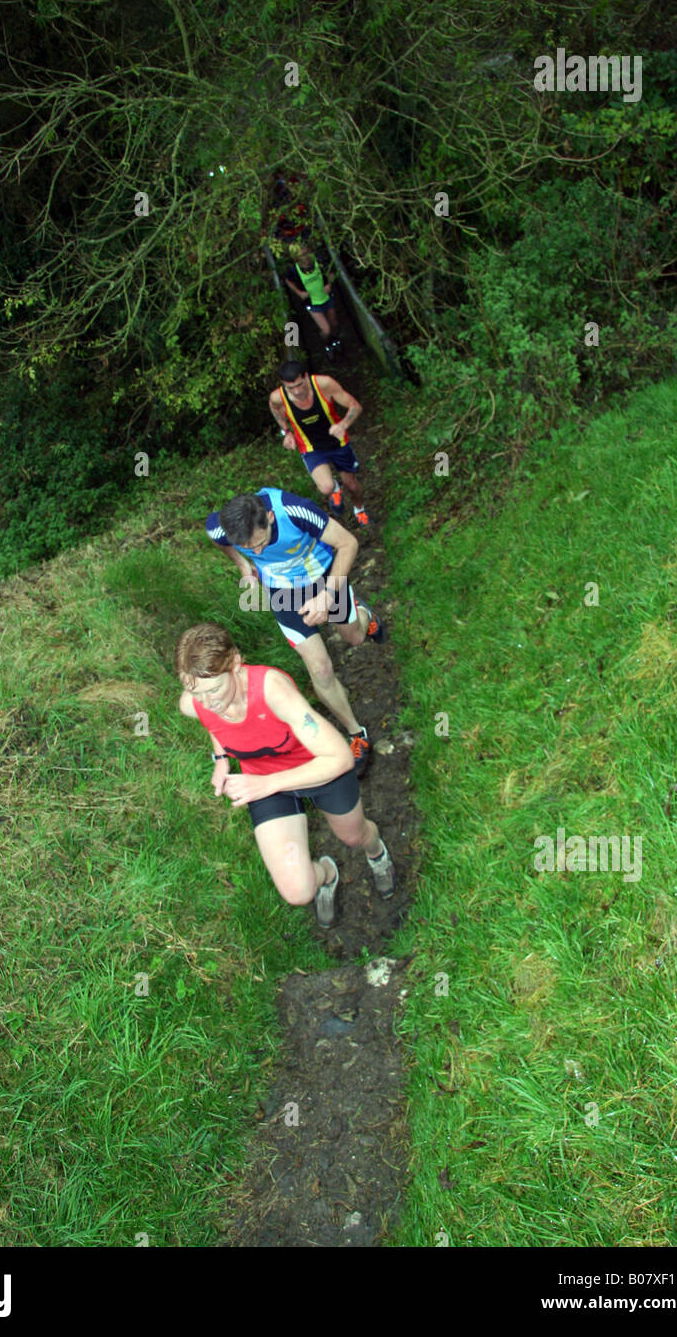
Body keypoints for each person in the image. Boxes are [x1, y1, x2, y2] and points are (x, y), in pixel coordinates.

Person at [176, 622, 396, 928]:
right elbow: (210, 719)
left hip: (319, 770)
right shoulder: (194, 703)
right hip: (264, 782)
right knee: (298, 891)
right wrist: (221, 758)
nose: (208, 703)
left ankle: (376, 851)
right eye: (196, 692)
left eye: (214, 689)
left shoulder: (272, 691)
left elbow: (341, 758)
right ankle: (328, 874)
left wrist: (267, 784)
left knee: (354, 836)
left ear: (236, 663)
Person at [204, 487, 385, 776]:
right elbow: (214, 537)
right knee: (320, 669)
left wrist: (327, 596)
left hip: (324, 577)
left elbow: (348, 543)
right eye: (250, 549)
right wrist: (244, 565)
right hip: (283, 592)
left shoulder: (294, 510)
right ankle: (356, 734)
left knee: (355, 637)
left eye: (260, 544)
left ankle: (363, 615)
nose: (259, 552)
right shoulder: (222, 526)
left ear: (270, 517)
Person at [269, 360, 370, 526]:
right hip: (311, 446)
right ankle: (335, 490)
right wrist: (286, 432)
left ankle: (359, 510)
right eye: (290, 388)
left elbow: (355, 406)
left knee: (351, 485)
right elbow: (275, 409)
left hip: (337, 442)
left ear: (306, 377)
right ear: (283, 385)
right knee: (326, 487)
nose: (297, 391)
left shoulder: (324, 384)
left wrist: (343, 425)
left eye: (300, 385)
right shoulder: (277, 397)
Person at [283, 246, 342, 361]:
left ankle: (335, 340)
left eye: (306, 253)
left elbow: (330, 271)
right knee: (326, 329)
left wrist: (329, 283)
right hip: (313, 303)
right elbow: (288, 281)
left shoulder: (318, 261)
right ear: (296, 258)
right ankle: (328, 344)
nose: (305, 258)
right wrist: (299, 292)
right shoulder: (294, 270)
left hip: (326, 297)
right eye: (301, 256)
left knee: (334, 323)